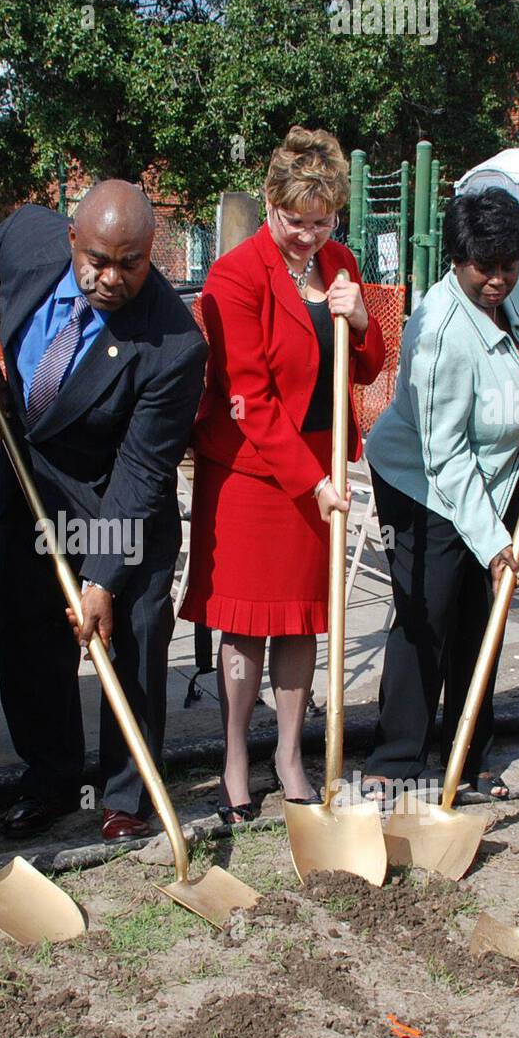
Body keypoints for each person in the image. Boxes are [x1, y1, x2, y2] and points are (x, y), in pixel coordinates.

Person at [0, 182, 207, 842]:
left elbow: (143, 469)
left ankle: (126, 794)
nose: (109, 277)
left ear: (155, 256)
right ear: (71, 240)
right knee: (32, 643)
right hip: (33, 486)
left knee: (134, 641)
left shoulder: (174, 344)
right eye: (97, 258)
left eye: (130, 263)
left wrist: (101, 580)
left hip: (118, 500)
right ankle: (51, 782)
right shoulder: (24, 239)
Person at [178, 127, 385, 822]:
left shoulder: (341, 263)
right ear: (270, 202)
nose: (307, 236)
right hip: (251, 471)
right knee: (246, 625)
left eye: (321, 223)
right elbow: (249, 397)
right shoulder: (234, 276)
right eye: (295, 221)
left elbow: (367, 367)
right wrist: (313, 484)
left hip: (320, 458)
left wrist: (361, 321)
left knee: (303, 620)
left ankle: (290, 754)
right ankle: (236, 754)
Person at [362, 187, 519, 802]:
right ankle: (394, 762)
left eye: (510, 265)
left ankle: (468, 756)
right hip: (423, 482)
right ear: (456, 259)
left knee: (484, 618)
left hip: (495, 477)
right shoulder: (441, 333)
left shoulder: (518, 291)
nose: (500, 279)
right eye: (486, 268)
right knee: (432, 611)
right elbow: (444, 455)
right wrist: (493, 543)